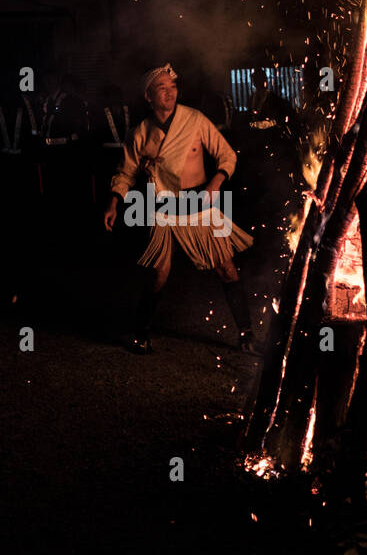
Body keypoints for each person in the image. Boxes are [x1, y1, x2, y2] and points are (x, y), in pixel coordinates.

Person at [103, 63, 256, 354]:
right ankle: (141, 333)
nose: (170, 93)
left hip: (200, 204)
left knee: (225, 266)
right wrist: (113, 203)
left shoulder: (195, 119)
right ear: (148, 96)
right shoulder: (141, 133)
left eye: (173, 87)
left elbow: (227, 155)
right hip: (163, 208)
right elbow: (125, 173)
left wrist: (216, 182)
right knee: (158, 272)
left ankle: (247, 333)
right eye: (162, 88)